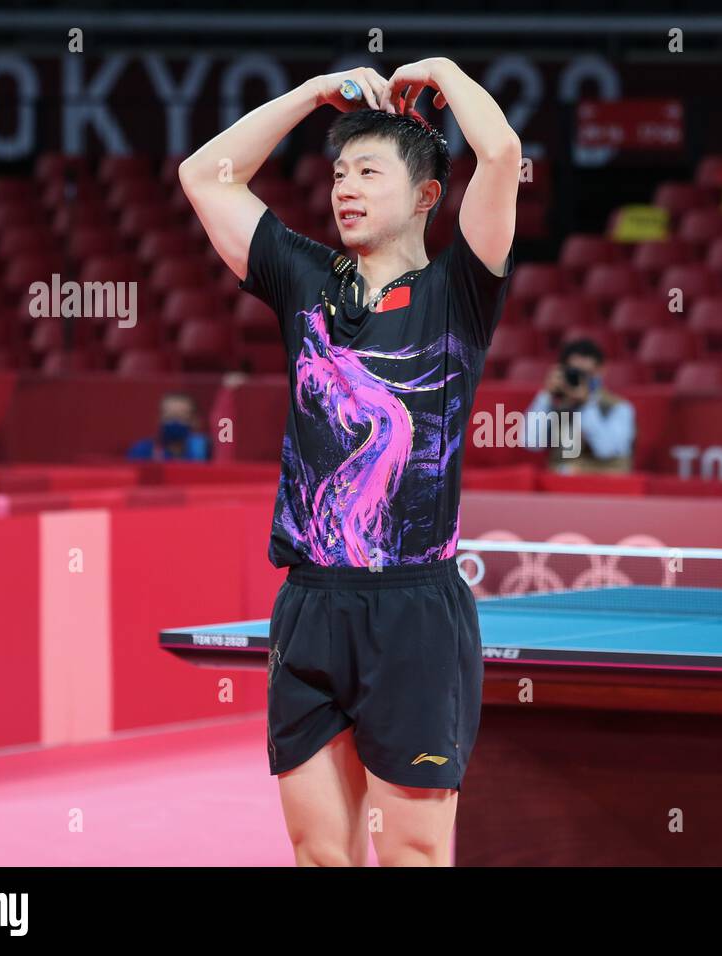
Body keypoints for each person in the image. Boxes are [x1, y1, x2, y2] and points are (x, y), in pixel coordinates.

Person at [179, 60, 519, 866]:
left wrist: (442, 72)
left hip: (415, 613)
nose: (346, 187)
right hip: (311, 606)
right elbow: (205, 175)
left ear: (427, 195)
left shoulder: (459, 292)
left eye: (370, 170)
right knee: (321, 854)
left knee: (412, 854)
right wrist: (307, 97)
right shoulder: (306, 281)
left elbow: (500, 153)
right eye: (338, 172)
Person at [523, 338, 635, 473]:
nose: (582, 380)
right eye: (575, 373)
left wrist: (586, 403)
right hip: (560, 484)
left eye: (587, 374)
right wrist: (546, 395)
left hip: (603, 484)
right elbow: (530, 443)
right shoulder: (556, 406)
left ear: (601, 370)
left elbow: (606, 449)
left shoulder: (619, 407)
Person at [127, 392, 211, 461]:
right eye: (169, 416)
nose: (175, 422)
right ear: (159, 419)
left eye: (182, 416)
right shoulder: (143, 450)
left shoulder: (206, 449)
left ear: (195, 421)